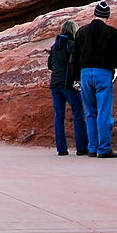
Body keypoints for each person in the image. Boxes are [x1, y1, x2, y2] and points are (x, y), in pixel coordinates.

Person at [71, 1, 117, 158]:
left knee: (90, 112)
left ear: (94, 14)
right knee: (104, 112)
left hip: (84, 74)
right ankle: (103, 149)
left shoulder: (82, 32)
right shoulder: (112, 33)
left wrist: (75, 78)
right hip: (103, 73)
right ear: (107, 16)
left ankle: (92, 147)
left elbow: (74, 57)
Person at [47, 19, 89, 157]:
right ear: (73, 30)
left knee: (59, 115)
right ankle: (82, 147)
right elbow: (75, 63)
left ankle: (61, 149)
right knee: (78, 113)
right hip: (68, 84)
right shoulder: (72, 45)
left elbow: (50, 65)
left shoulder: (54, 46)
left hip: (55, 84)